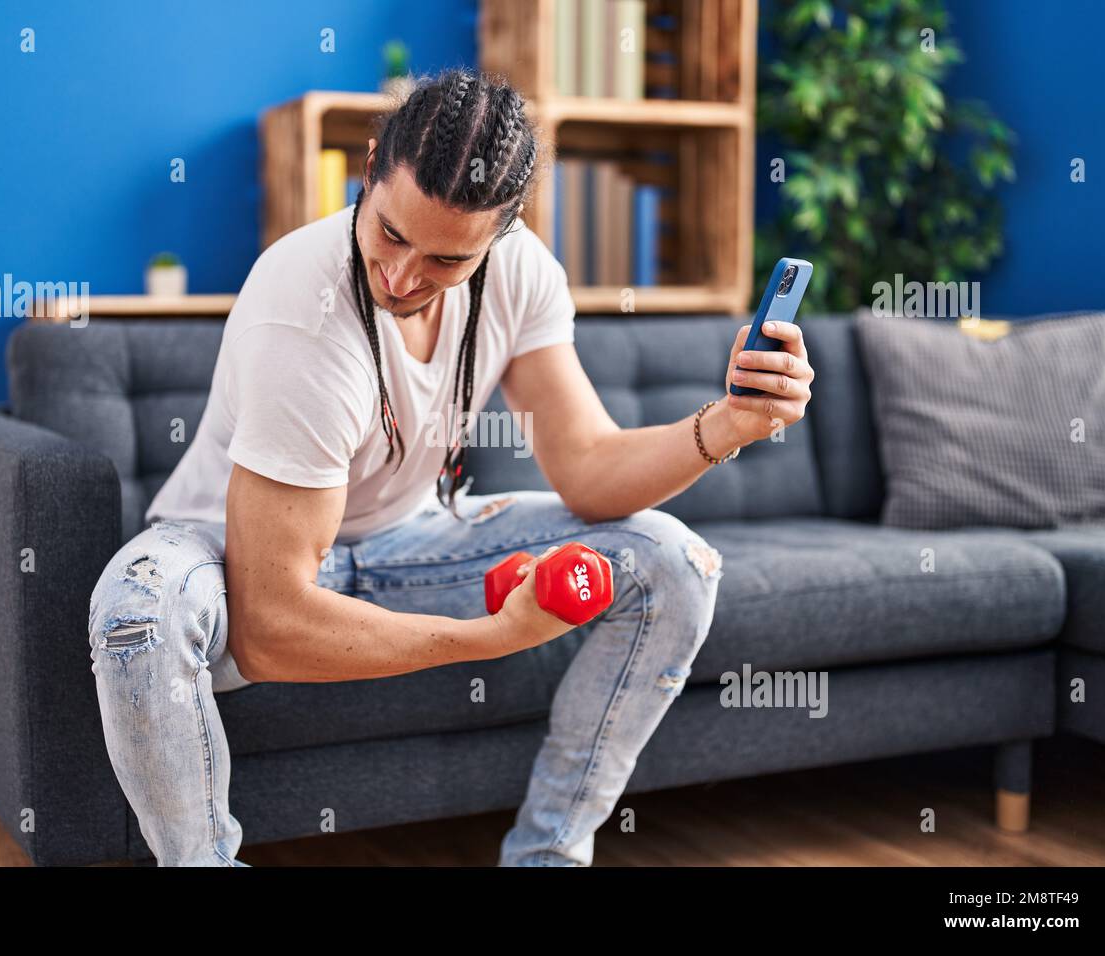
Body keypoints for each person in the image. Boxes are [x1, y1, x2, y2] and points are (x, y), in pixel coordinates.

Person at [87, 67, 815, 866]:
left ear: (500, 235)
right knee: (137, 608)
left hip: (412, 542)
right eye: (391, 234)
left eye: (444, 262)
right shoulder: (304, 305)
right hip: (229, 557)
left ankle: (547, 857)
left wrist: (733, 423)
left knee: (673, 561)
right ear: (368, 169)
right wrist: (488, 638)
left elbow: (588, 469)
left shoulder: (522, 272)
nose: (402, 278)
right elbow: (269, 627)